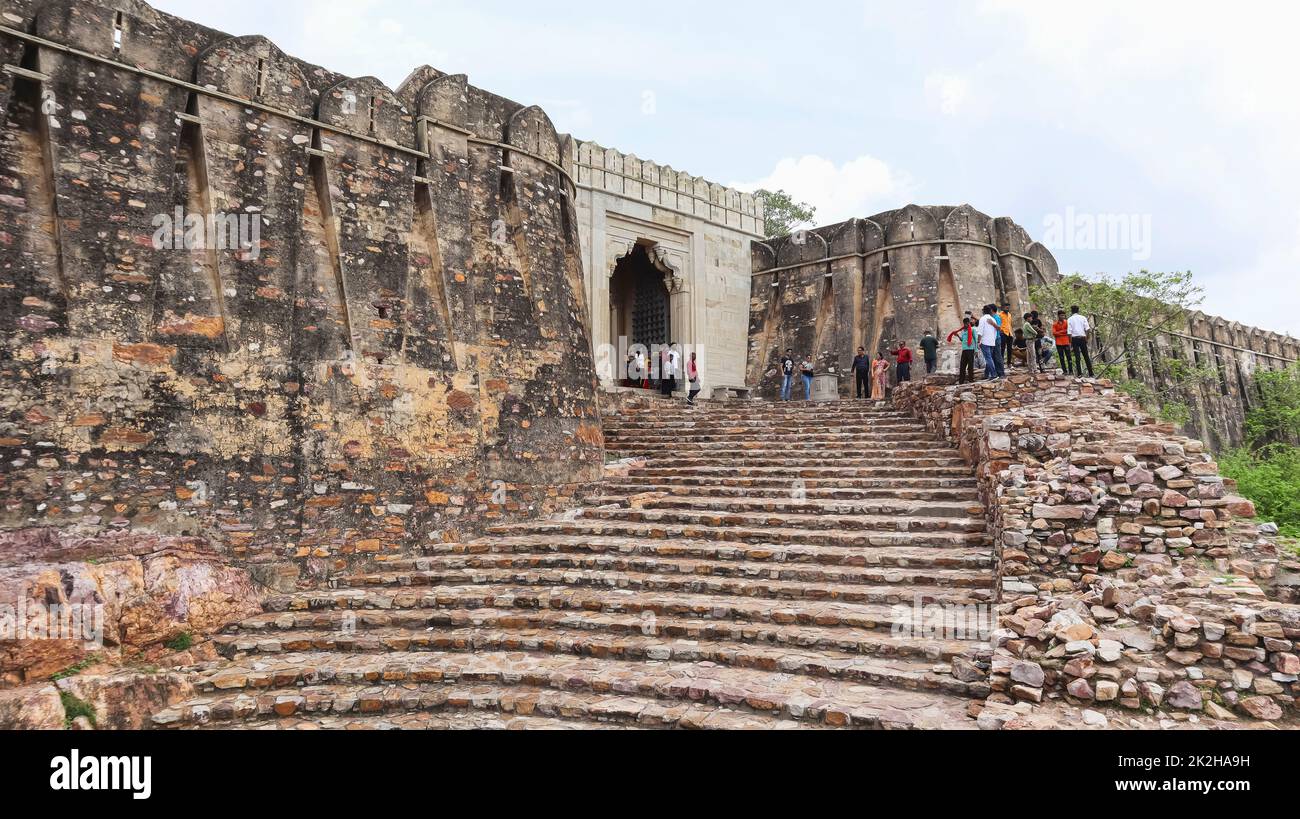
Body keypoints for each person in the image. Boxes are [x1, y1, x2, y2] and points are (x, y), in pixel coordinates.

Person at [947, 318, 978, 384]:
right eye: (966, 323)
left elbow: (975, 340)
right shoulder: (963, 331)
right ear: (964, 323)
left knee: (970, 365)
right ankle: (961, 381)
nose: (967, 324)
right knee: (962, 366)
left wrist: (976, 350)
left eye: (968, 323)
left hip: (971, 349)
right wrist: (958, 336)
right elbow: (962, 340)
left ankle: (971, 380)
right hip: (964, 350)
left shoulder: (972, 330)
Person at [979, 305, 1005, 379]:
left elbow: (999, 328)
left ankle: (1000, 373)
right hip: (992, 340)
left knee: (996, 357)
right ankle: (987, 374)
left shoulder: (996, 318)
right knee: (990, 357)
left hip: (995, 339)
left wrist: (993, 324)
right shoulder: (990, 318)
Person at [1067, 306, 1095, 377]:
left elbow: (1069, 333)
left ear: (1071, 311)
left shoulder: (1069, 319)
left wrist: (1070, 343)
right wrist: (1087, 338)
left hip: (1074, 339)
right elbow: (1088, 329)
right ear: (1078, 310)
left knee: (1077, 357)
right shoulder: (1083, 317)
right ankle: (1091, 373)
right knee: (1086, 356)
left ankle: (1079, 374)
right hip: (1082, 338)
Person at [997, 303, 1014, 368]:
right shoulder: (999, 315)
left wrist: (1011, 332)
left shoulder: (1009, 315)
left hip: (1010, 333)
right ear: (1003, 307)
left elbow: (1010, 324)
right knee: (1002, 349)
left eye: (1008, 308)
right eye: (1006, 308)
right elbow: (998, 323)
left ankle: (1009, 363)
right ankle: (1001, 363)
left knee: (1010, 349)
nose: (1007, 309)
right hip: (1003, 333)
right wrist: (1001, 330)